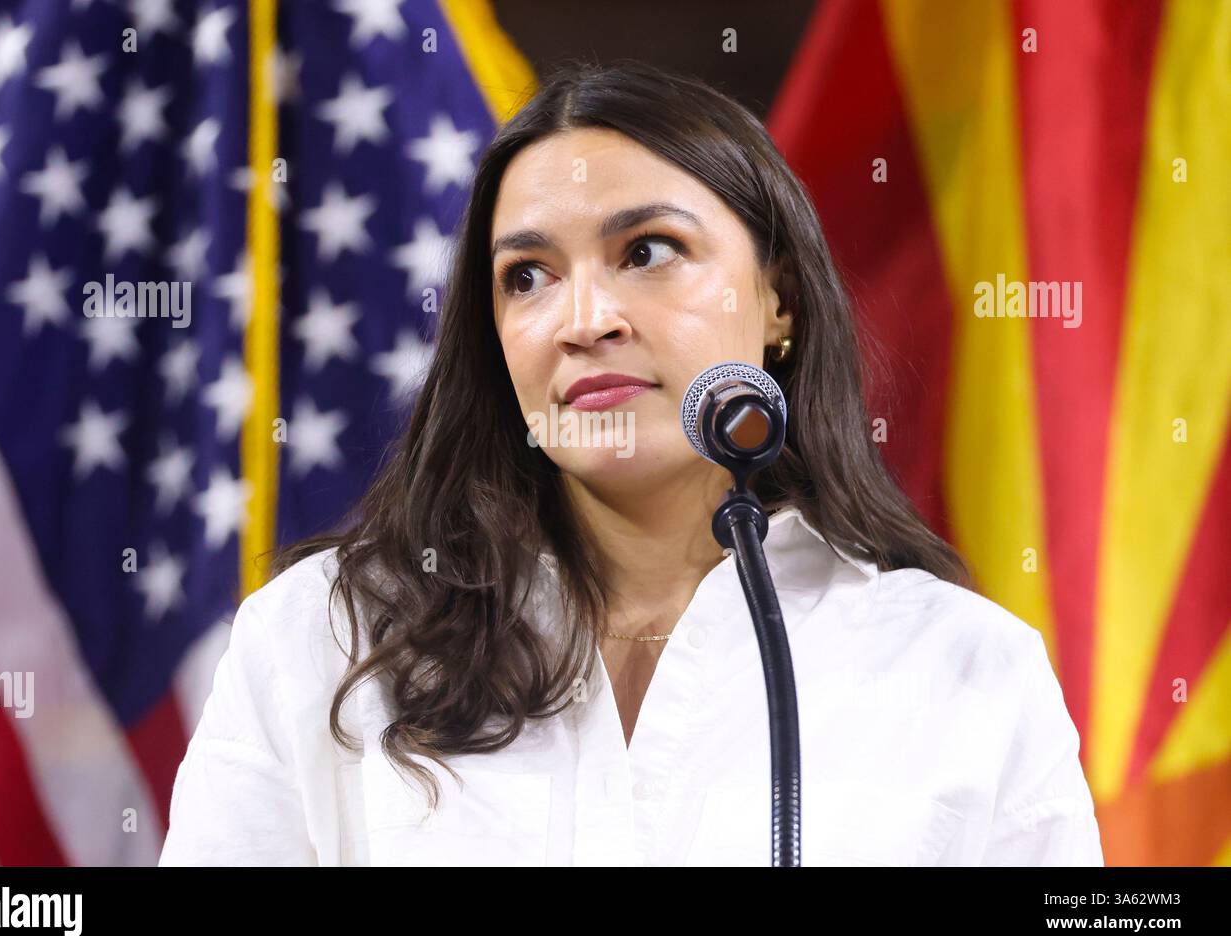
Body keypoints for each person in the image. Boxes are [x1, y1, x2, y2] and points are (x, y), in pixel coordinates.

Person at [159, 60, 1104, 866]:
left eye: (648, 251)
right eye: (527, 276)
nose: (582, 320)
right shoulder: (320, 639)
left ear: (778, 301)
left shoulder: (965, 667)